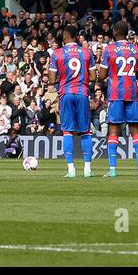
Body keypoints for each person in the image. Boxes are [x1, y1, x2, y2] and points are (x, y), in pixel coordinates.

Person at [97, 21, 138, 177]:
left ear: (116, 31)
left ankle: (112, 170)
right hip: (132, 93)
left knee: (113, 130)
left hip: (116, 93)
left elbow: (103, 76)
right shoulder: (136, 50)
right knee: (135, 130)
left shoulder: (109, 50)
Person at [48, 24, 94, 178]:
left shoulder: (57, 53)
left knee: (67, 130)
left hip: (66, 94)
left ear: (66, 36)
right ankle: (87, 170)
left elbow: (52, 79)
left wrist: (63, 76)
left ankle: (71, 170)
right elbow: (94, 77)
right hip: (82, 93)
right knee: (85, 131)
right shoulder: (87, 53)